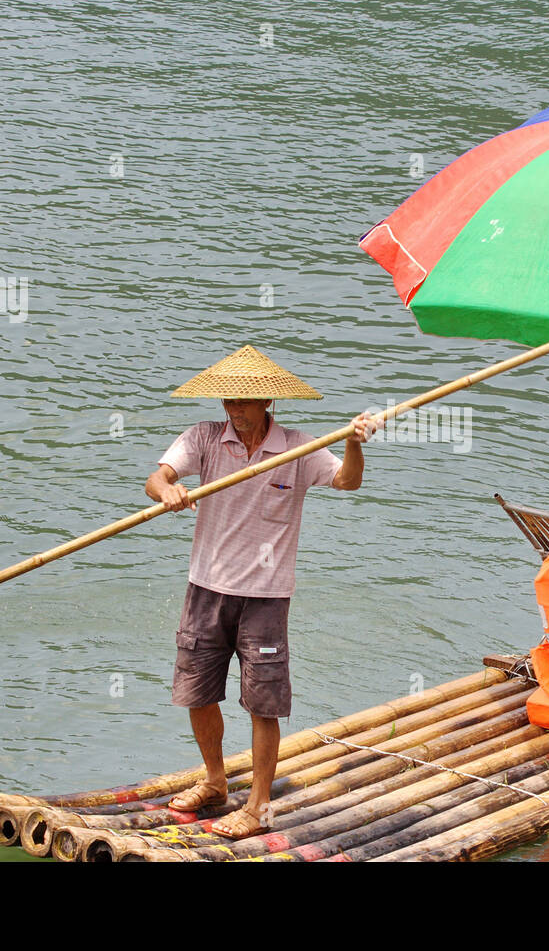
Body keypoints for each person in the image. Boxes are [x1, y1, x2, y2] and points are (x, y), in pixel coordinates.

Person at [144, 345, 379, 840]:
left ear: (268, 404)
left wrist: (356, 442)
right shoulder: (205, 439)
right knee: (197, 692)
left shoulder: (298, 448)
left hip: (266, 597)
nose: (235, 411)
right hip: (206, 585)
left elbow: (347, 481)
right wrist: (167, 490)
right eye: (229, 401)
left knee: (263, 702)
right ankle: (214, 782)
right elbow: (159, 476)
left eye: (245, 402)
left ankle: (258, 805)